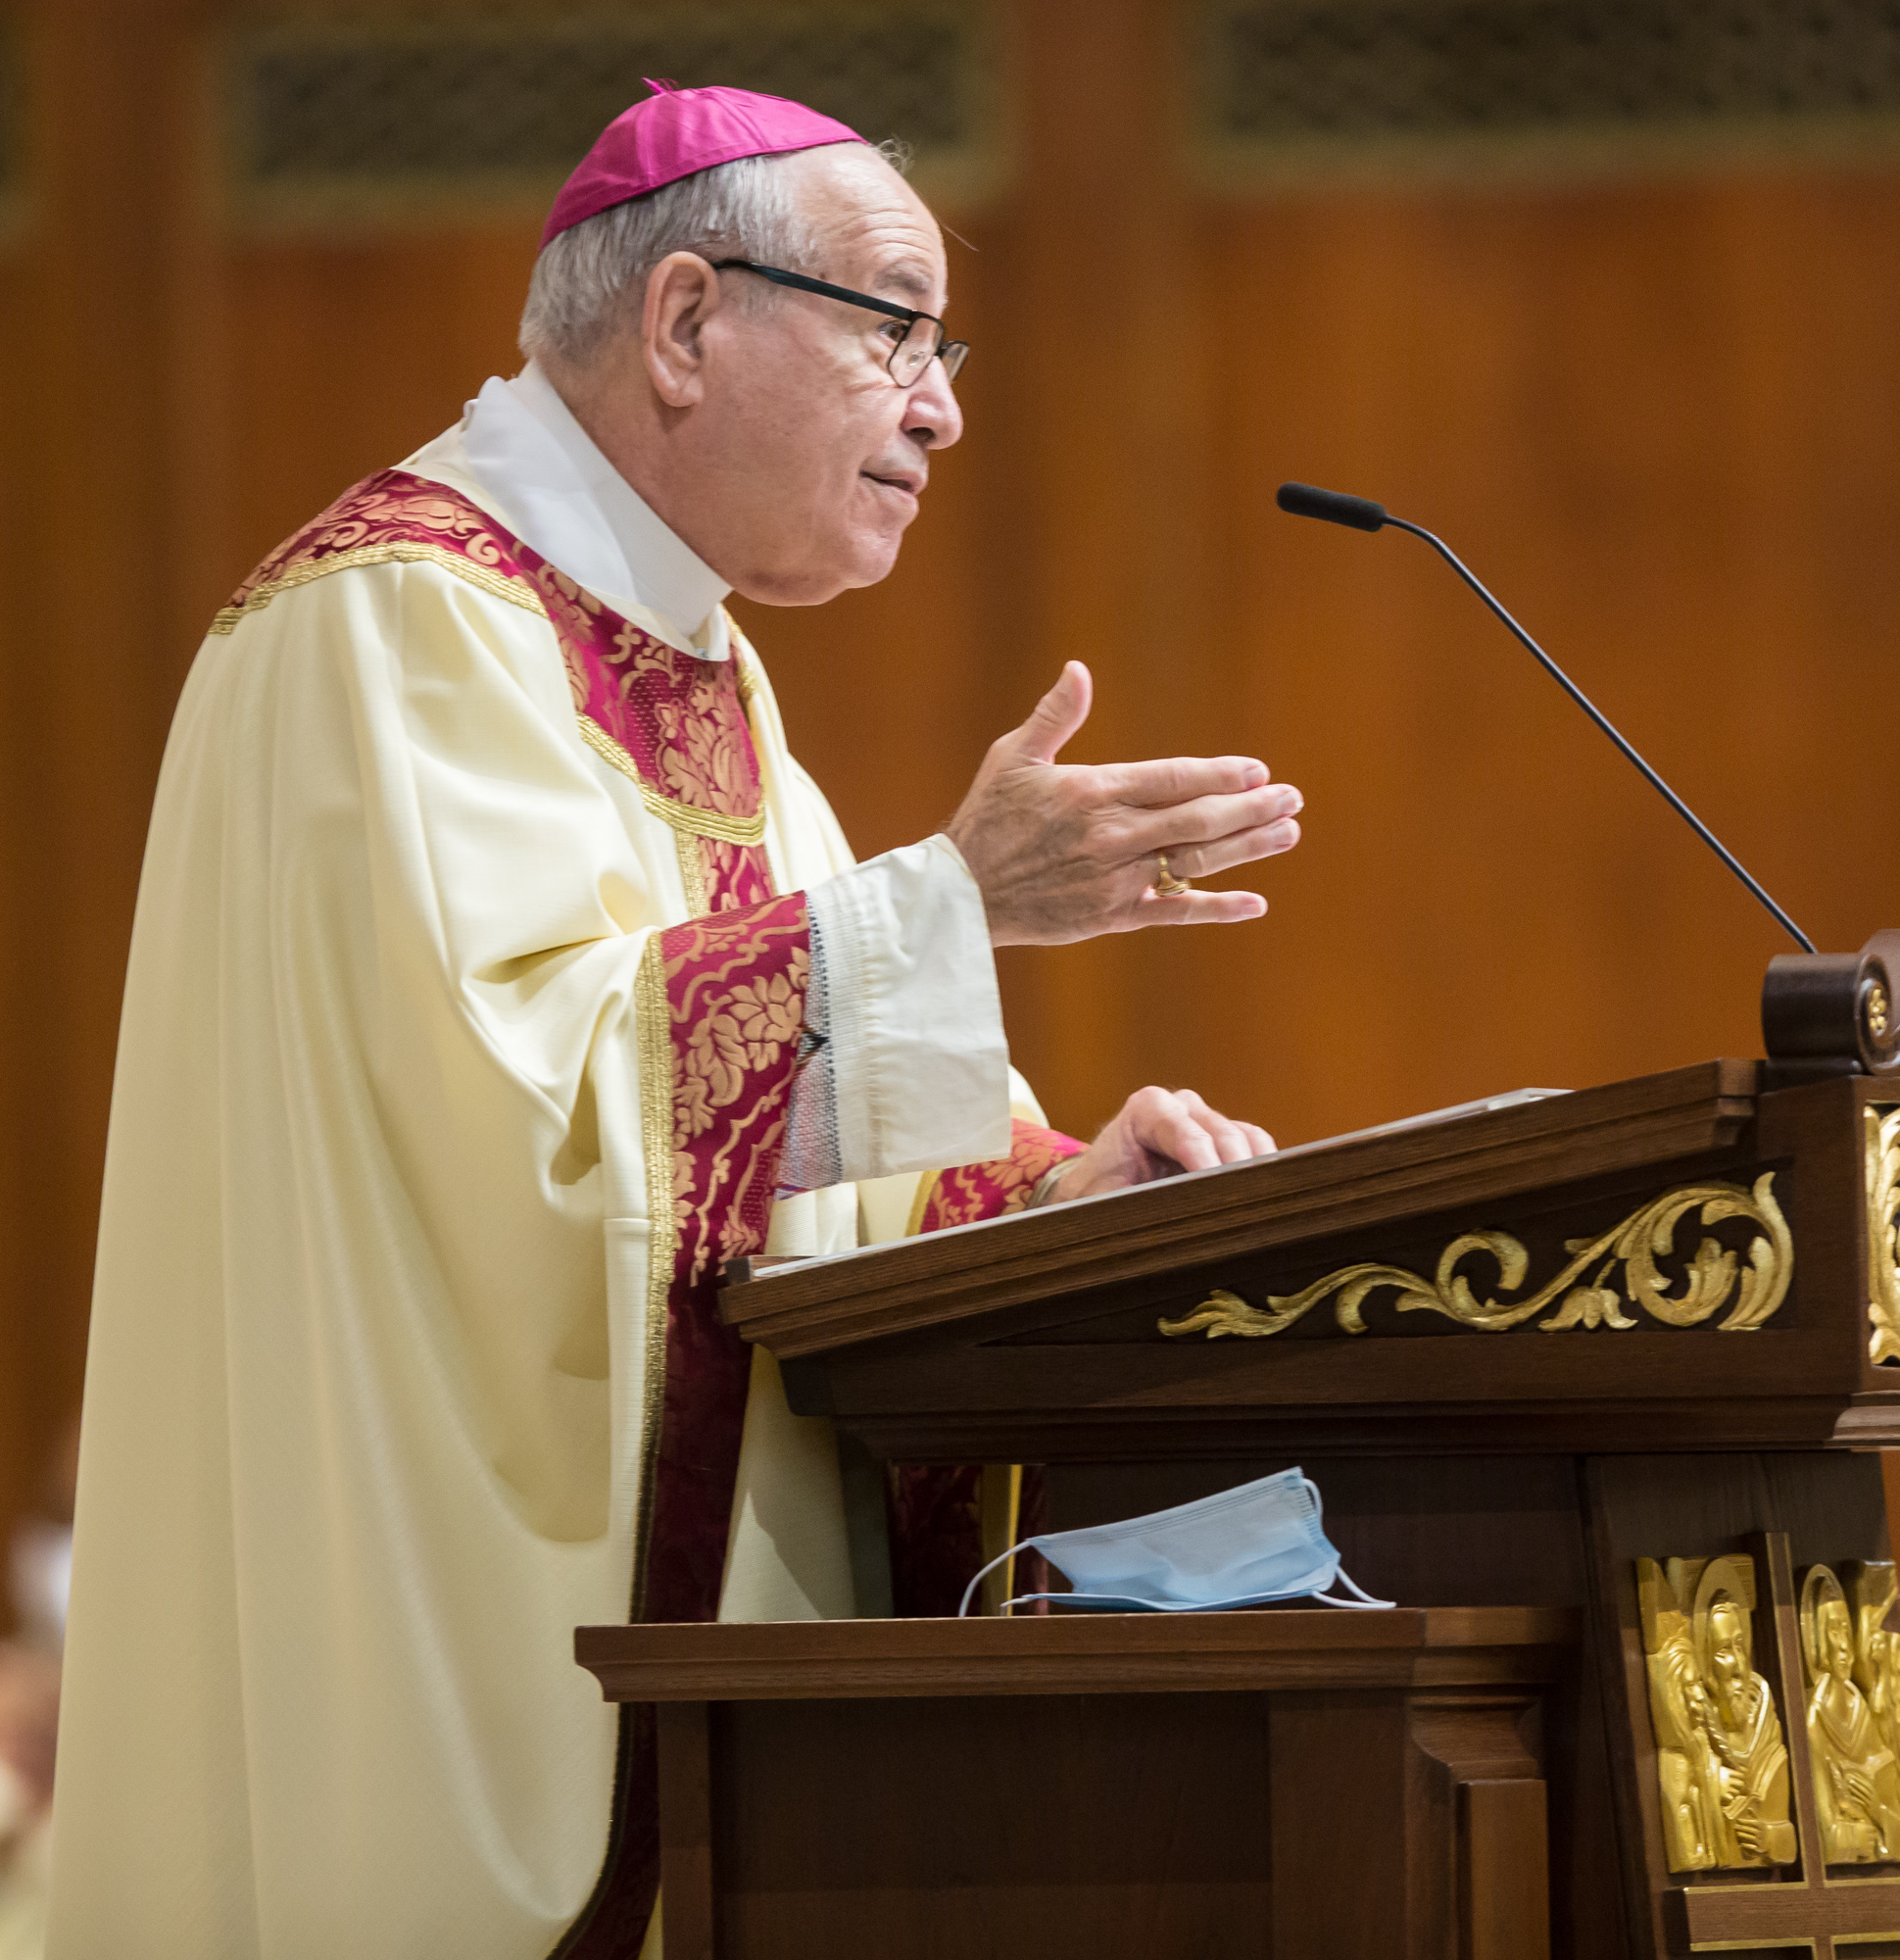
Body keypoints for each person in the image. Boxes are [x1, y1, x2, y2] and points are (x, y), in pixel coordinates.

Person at [46, 82, 1303, 1959]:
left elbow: (760, 1171)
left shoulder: (692, 664)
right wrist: (953, 904)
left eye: (944, 349)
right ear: (690, 320)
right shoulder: (398, 625)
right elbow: (535, 1150)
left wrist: (1045, 1201)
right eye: (897, 330)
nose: (946, 407)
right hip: (427, 1679)